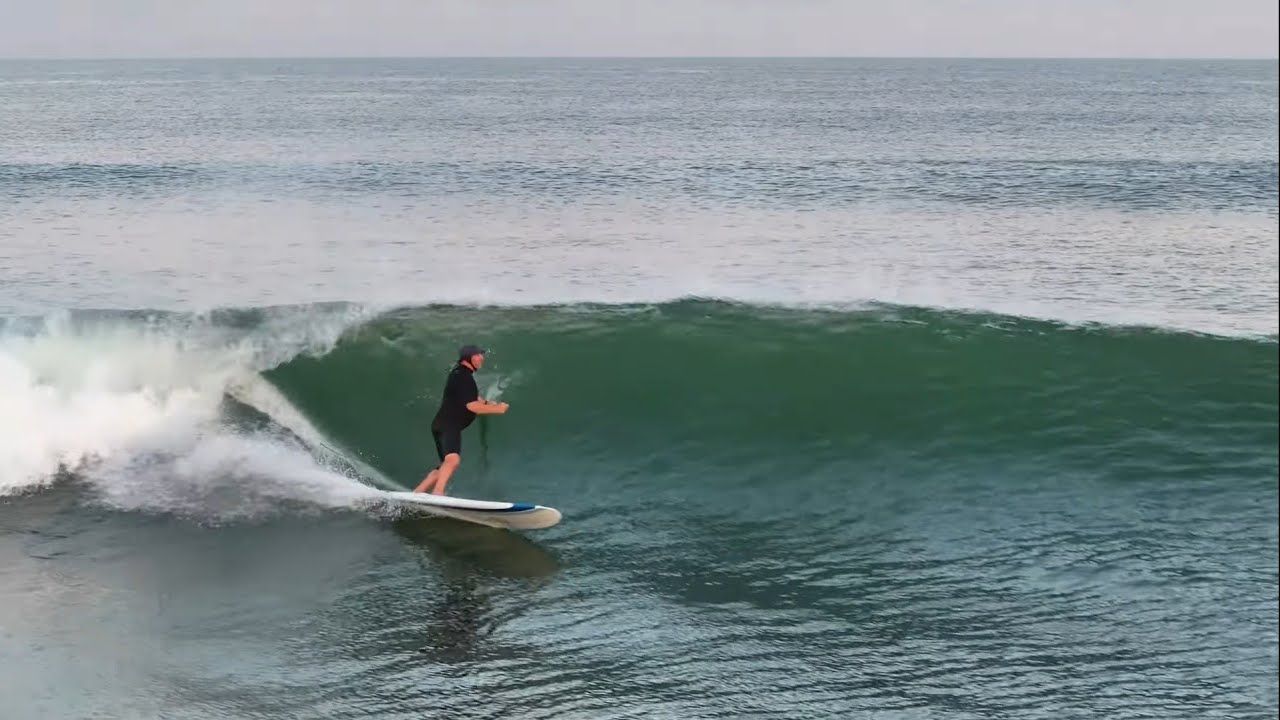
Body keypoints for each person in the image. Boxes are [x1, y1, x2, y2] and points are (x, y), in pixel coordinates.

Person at [414, 344, 508, 495]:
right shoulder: (463, 377)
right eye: (478, 355)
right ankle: (438, 494)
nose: (481, 358)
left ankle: (418, 492)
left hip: (441, 425)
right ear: (469, 358)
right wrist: (498, 409)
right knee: (453, 460)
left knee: (445, 464)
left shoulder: (460, 375)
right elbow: (472, 406)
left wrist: (489, 403)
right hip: (449, 425)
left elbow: (474, 399)